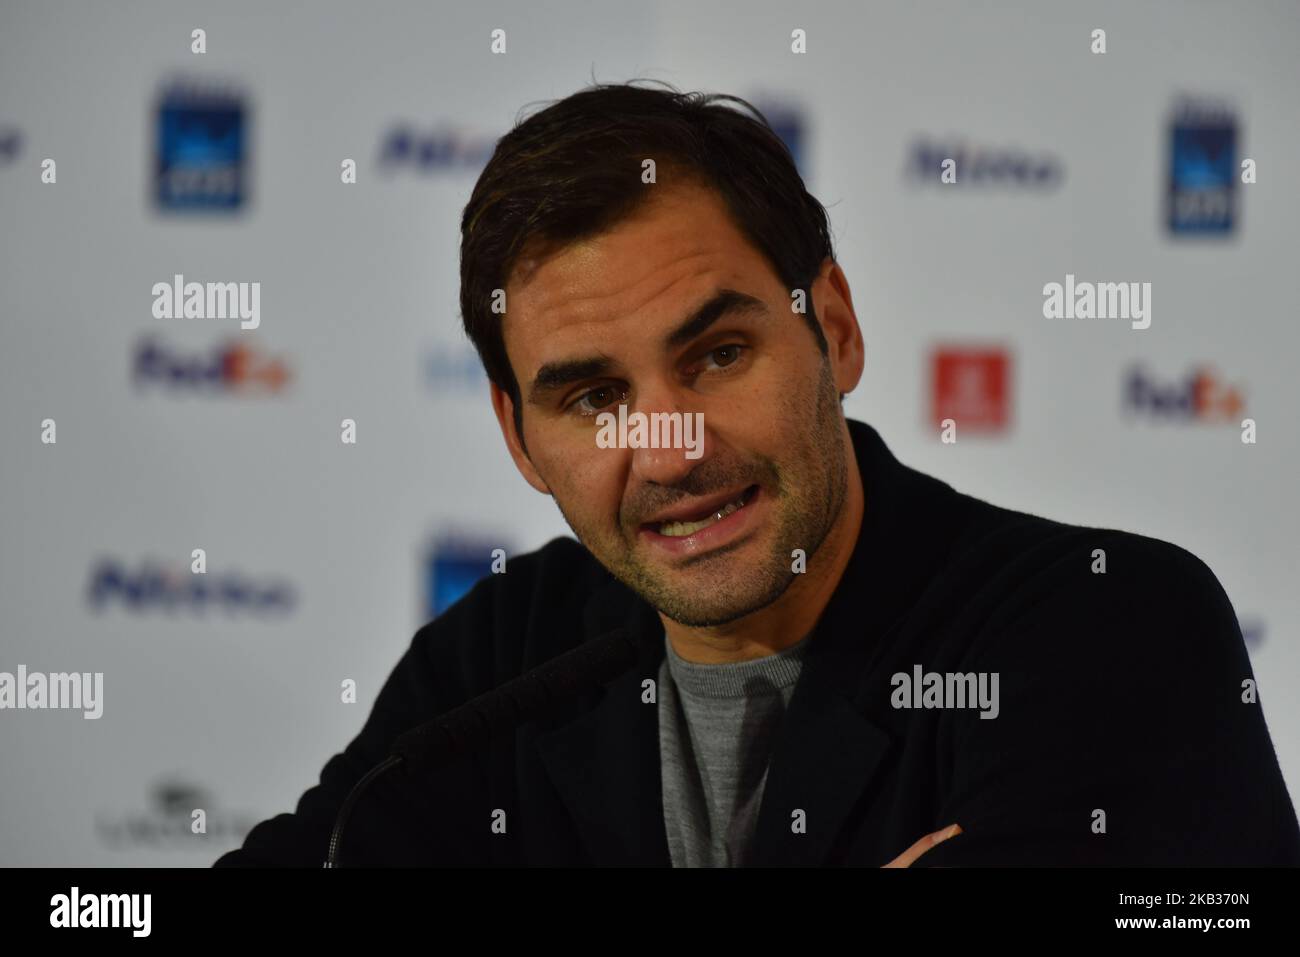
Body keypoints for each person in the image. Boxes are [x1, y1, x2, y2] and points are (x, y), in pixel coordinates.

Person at [216, 82, 1300, 867]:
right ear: (517, 438)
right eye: (594, 399)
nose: (673, 449)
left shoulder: (1107, 626)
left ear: (831, 325)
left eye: (718, 355)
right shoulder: (497, 665)